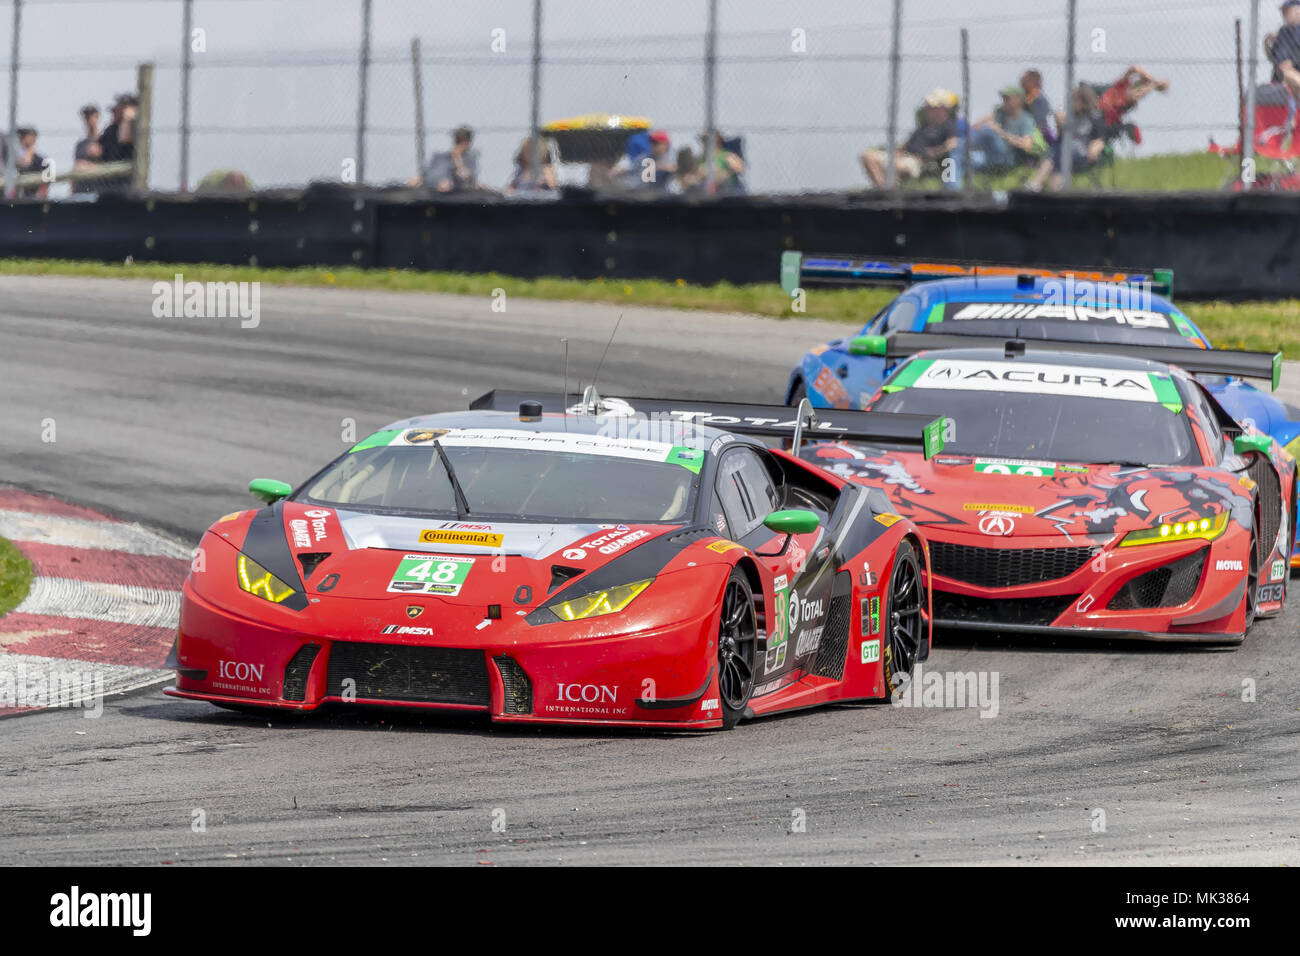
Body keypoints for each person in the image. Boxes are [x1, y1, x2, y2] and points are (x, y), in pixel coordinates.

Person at [861, 89, 959, 188]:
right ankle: (883, 189)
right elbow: (907, 144)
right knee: (868, 156)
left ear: (943, 109)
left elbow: (953, 144)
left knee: (895, 165)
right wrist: (897, 152)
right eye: (928, 106)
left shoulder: (949, 126)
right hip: (903, 156)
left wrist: (934, 153)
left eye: (932, 107)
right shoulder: (923, 127)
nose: (927, 108)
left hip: (919, 161)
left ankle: (890, 192)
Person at [1027, 83, 1107, 191]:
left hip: (1083, 154)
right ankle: (1051, 190)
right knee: (1056, 152)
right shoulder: (1069, 116)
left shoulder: (1094, 118)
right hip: (1064, 152)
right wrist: (1059, 126)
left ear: (1084, 101)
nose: (1070, 103)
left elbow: (1100, 139)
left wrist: (1096, 147)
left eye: (1074, 100)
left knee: (1057, 152)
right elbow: (1060, 140)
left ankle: (1037, 183)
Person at [98, 93, 137, 193]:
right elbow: (99, 151)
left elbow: (124, 138)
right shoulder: (110, 130)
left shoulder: (135, 127)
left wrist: (127, 119)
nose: (114, 113)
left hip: (126, 184)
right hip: (108, 184)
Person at [420, 125, 480, 192]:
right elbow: (428, 176)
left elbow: (466, 179)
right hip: (435, 192)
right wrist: (437, 183)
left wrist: (457, 158)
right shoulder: (440, 157)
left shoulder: (469, 160)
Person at [1266, 0, 1300, 101]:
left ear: (1298, 11)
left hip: (1294, 72)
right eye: (1283, 12)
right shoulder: (1283, 31)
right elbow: (1273, 58)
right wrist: (1267, 44)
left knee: (1288, 73)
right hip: (1281, 76)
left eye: (1287, 11)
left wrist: (1292, 63)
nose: (1284, 14)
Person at [1020, 70, 1056, 145]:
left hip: (1038, 136)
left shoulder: (1039, 99)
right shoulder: (1025, 99)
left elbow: (1040, 123)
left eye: (1025, 80)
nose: (1021, 82)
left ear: (1034, 82)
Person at [72, 104, 102, 194]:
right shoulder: (80, 145)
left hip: (98, 190)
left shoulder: (104, 141)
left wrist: (89, 167)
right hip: (80, 190)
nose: (89, 120)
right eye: (86, 117)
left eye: (91, 117)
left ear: (97, 118)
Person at [14, 127, 47, 198]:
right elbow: (24, 164)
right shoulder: (13, 154)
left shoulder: (39, 160)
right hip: (16, 191)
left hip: (32, 193)